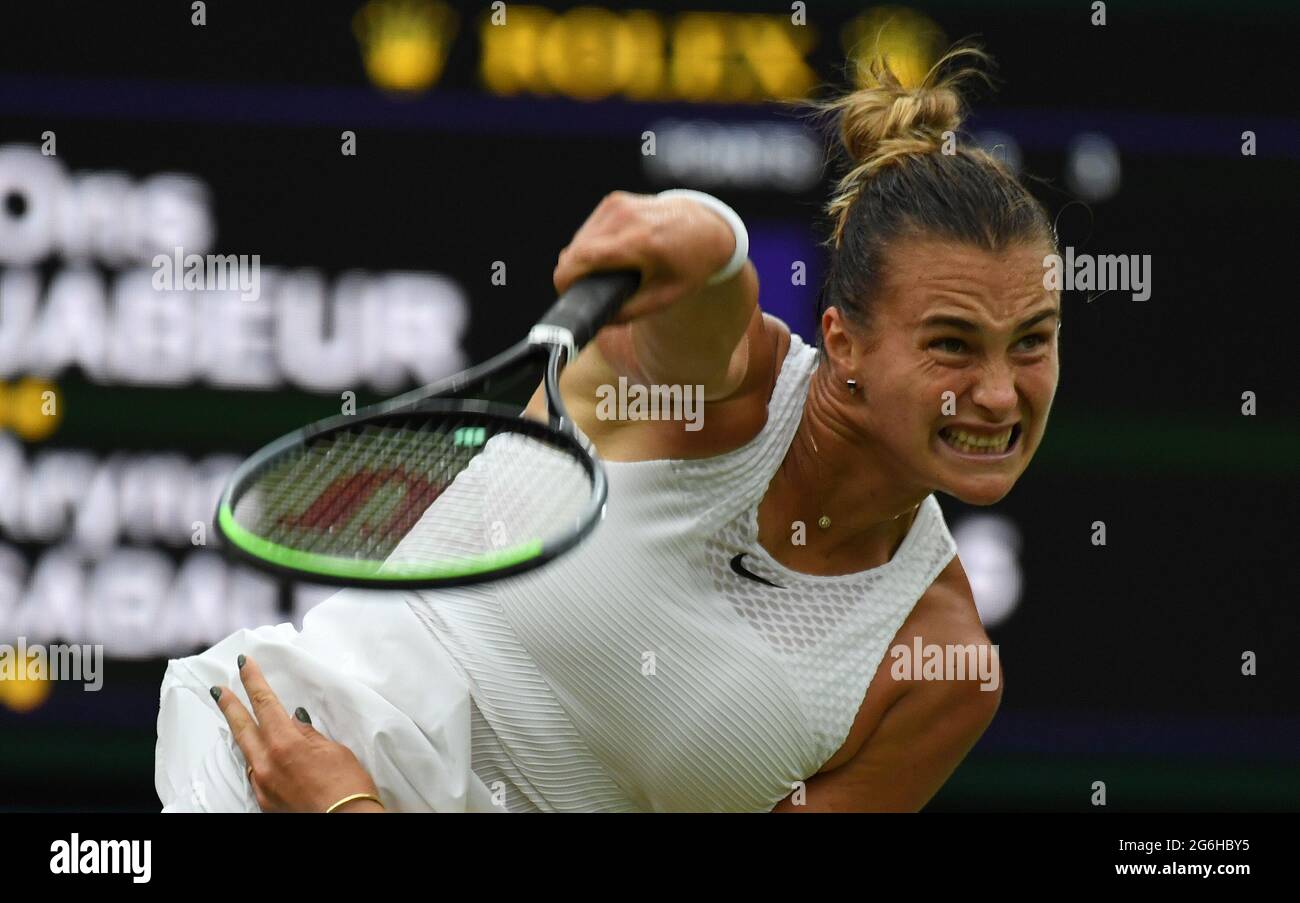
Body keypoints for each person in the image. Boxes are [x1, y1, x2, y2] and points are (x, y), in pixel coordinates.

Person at [156, 46, 1060, 812]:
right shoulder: (714, 393)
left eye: (1032, 343)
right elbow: (708, 296)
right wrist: (703, 231)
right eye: (951, 345)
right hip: (266, 764)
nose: (998, 394)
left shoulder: (940, 676)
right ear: (843, 341)